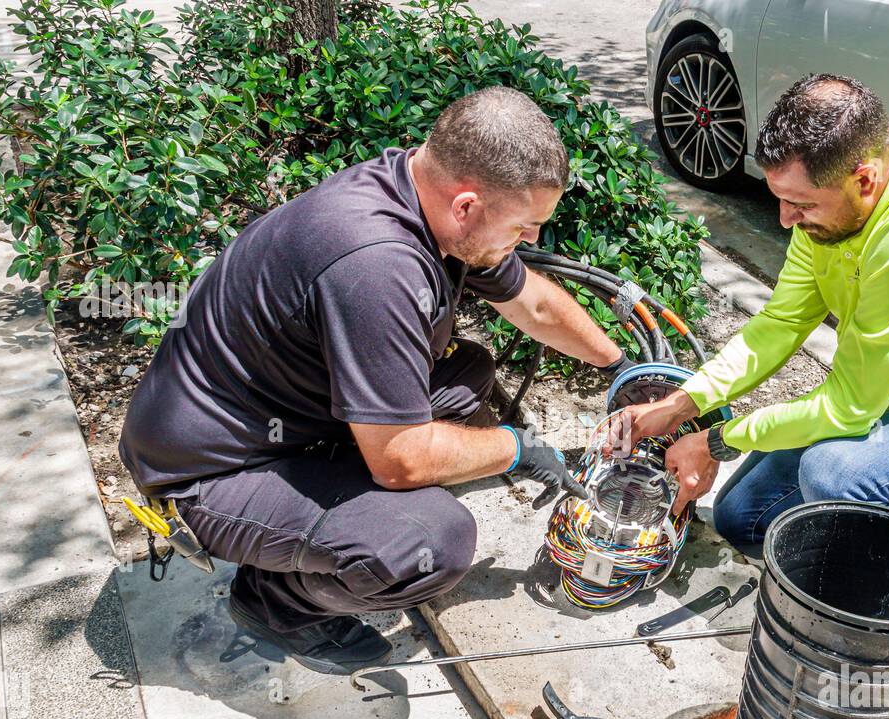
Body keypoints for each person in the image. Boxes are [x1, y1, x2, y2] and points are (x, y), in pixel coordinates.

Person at [120, 86, 633, 673]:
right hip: (210, 470)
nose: (532, 239)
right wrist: (517, 447)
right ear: (466, 206)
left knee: (467, 373)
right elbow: (401, 463)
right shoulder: (377, 264)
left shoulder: (415, 188)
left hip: (277, 415)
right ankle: (275, 603)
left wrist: (618, 367)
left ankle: (331, 509)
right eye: (524, 225)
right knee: (433, 542)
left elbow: (534, 305)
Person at [610, 73, 889, 559]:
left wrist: (716, 441)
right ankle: (877, 514)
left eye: (800, 204)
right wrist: (683, 403)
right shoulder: (838, 211)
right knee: (744, 520)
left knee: (834, 476)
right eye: (780, 198)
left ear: (864, 179)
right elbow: (781, 324)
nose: (785, 219)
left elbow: (849, 409)